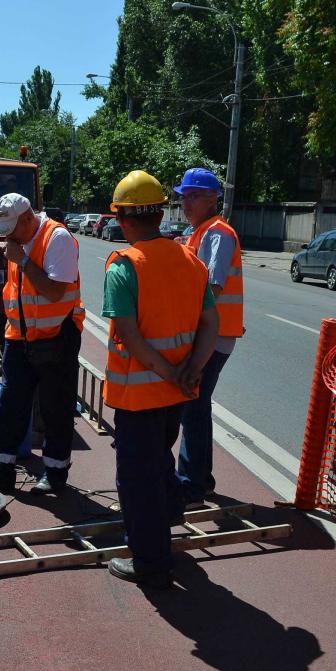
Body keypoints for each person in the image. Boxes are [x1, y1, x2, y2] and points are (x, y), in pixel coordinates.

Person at [101, 170, 219, 589]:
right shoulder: (191, 259)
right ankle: (169, 515)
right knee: (160, 460)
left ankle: (150, 560)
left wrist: (171, 372)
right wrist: (193, 370)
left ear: (124, 218)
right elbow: (211, 323)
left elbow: (130, 338)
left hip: (139, 396)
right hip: (178, 394)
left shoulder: (124, 266)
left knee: (137, 478)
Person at [0, 193, 83, 494]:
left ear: (26, 218)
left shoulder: (57, 238)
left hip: (56, 337)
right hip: (19, 336)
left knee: (55, 408)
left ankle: (55, 473)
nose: (6, 237)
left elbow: (54, 292)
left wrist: (22, 260)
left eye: (11, 229)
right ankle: (2, 468)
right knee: (11, 404)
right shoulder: (16, 243)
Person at [172, 168, 244, 508]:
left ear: (211, 198)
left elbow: (211, 287)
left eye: (191, 196)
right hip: (209, 333)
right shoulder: (199, 232)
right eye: (183, 196)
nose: (184, 202)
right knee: (196, 406)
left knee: (193, 406)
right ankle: (201, 480)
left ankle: (191, 486)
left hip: (212, 335)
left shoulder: (217, 233)